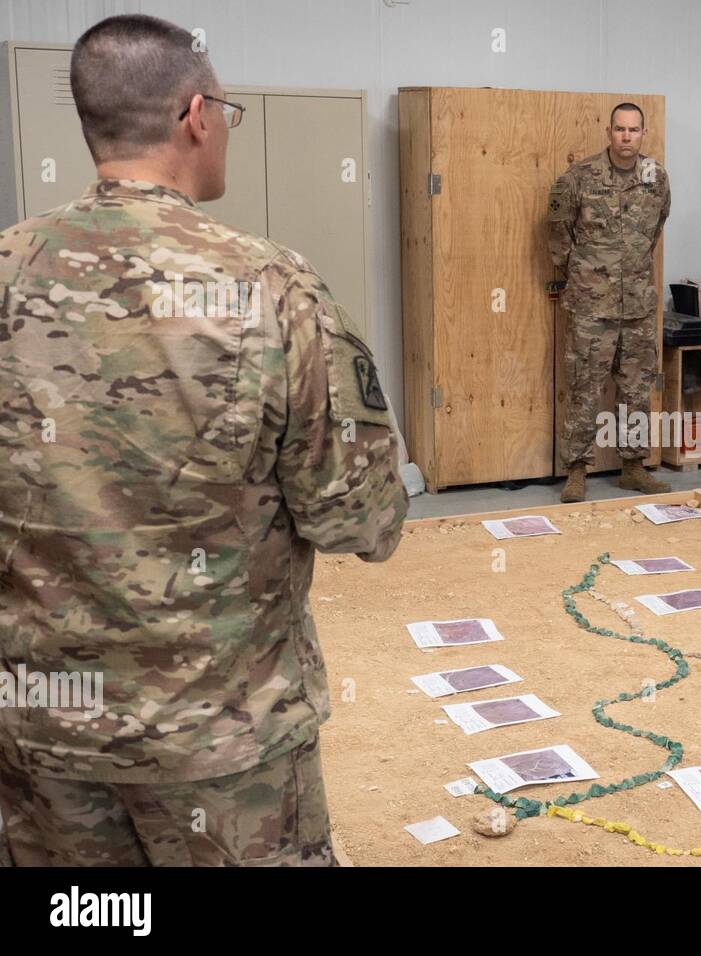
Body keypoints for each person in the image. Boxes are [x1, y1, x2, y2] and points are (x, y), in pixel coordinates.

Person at [0, 14, 408, 864]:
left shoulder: (9, 271)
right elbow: (359, 519)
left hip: (40, 735)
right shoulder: (269, 288)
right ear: (196, 115)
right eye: (225, 110)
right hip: (223, 747)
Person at [549, 103, 672, 503]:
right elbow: (558, 231)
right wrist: (584, 273)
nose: (626, 137)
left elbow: (655, 229)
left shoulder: (656, 178)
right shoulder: (579, 177)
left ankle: (633, 468)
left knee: (636, 390)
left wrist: (628, 268)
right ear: (608, 131)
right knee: (585, 387)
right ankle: (576, 470)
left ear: (643, 133)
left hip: (637, 303)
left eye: (634, 130)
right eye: (619, 129)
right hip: (591, 306)